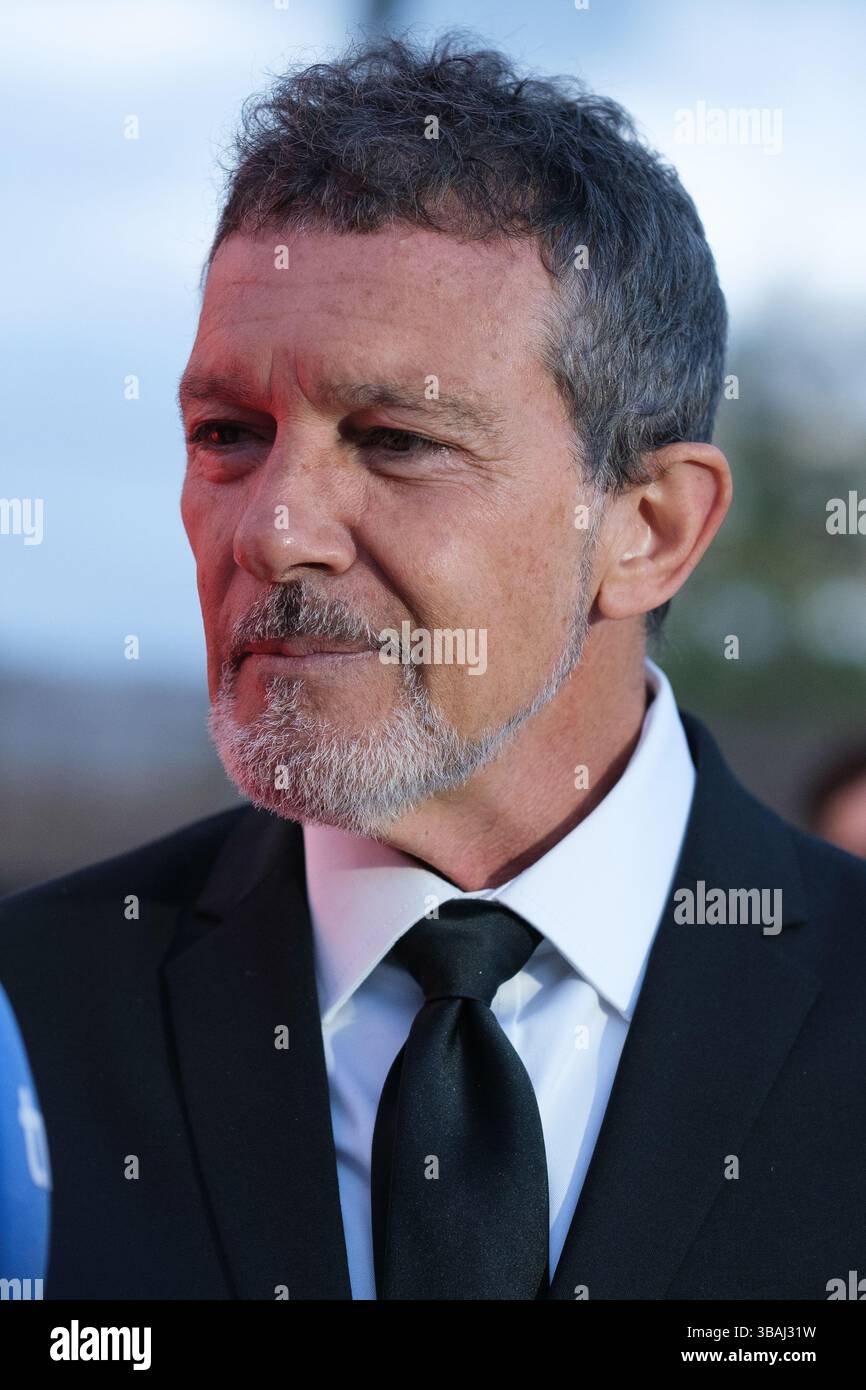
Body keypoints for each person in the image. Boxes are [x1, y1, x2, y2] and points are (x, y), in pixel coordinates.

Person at [2, 33, 865, 1301]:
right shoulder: (28, 1021)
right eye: (227, 433)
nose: (271, 525)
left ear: (649, 530)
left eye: (397, 440)